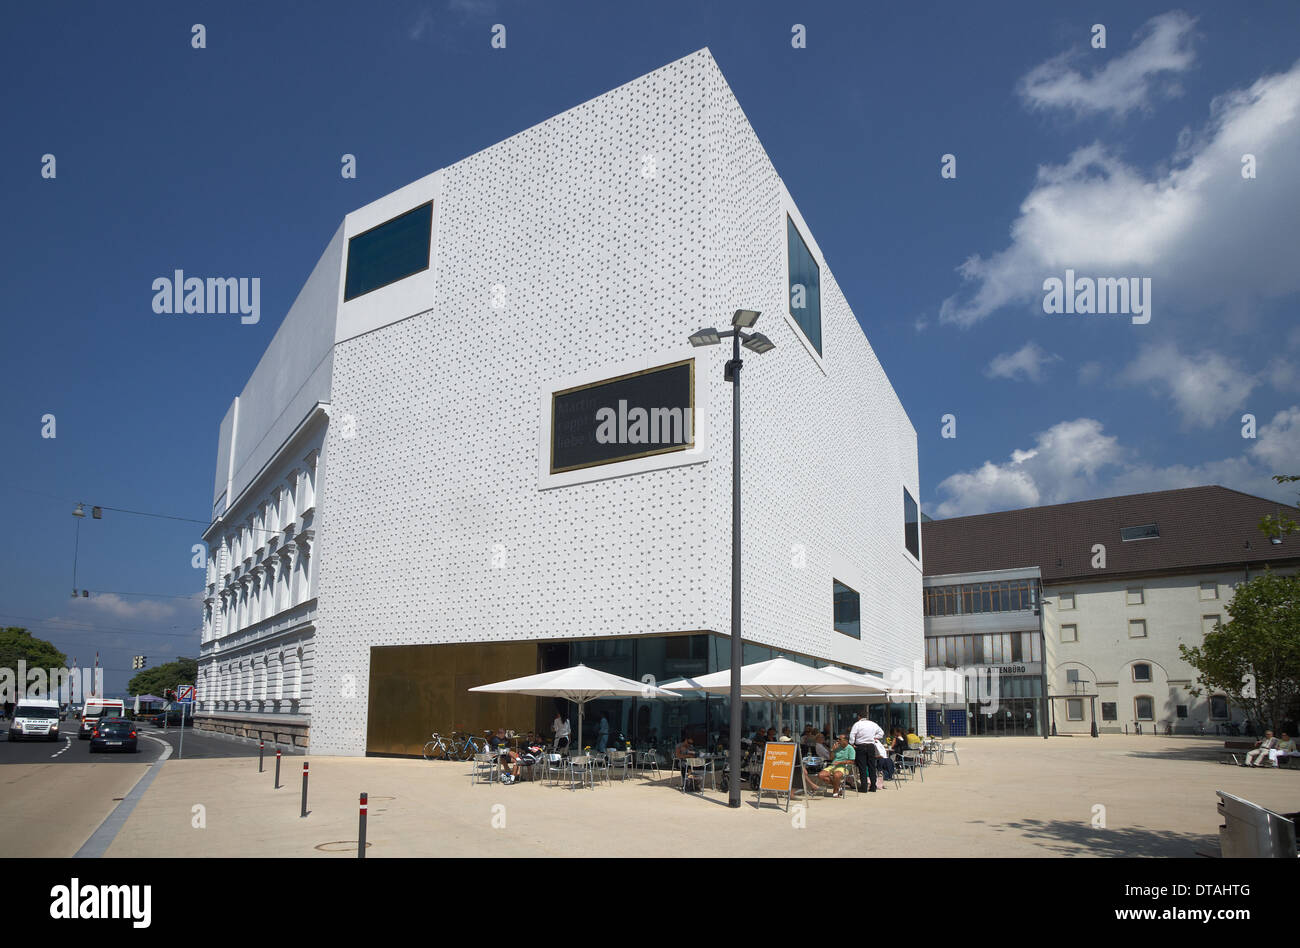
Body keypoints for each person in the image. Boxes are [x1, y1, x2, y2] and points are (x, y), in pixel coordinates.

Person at [849, 712, 885, 792]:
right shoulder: (873, 724)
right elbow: (881, 733)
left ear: (859, 716)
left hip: (861, 746)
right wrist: (874, 738)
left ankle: (864, 787)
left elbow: (852, 735)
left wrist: (852, 743)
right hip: (871, 746)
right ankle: (873, 786)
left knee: (862, 767)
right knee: (872, 767)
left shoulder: (857, 724)